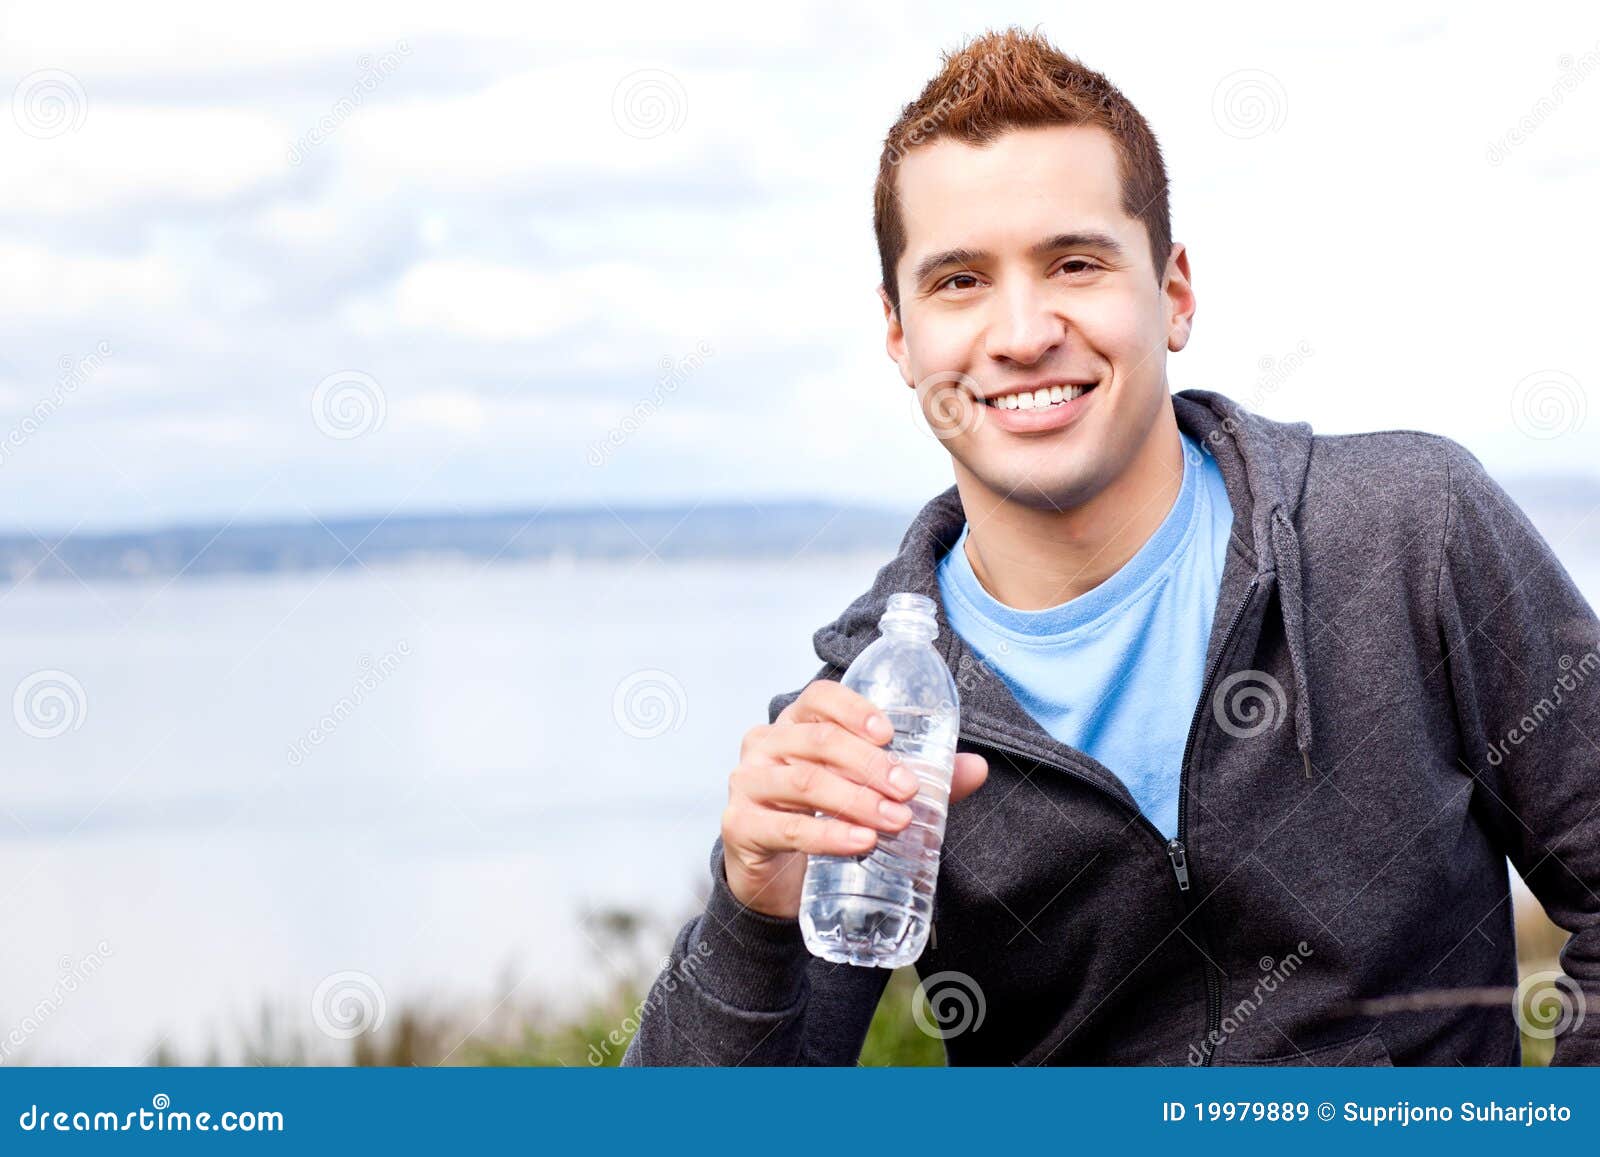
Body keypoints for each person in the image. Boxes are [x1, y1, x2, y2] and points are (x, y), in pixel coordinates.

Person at [622, 26, 1600, 1066]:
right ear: (899, 335)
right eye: (959, 281)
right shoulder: (869, 718)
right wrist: (752, 909)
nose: (1023, 329)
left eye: (1074, 262)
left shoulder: (1409, 529)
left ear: (1172, 291)